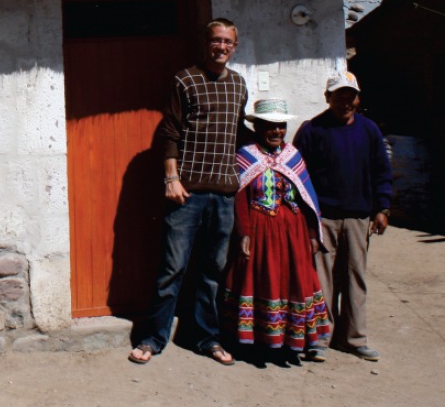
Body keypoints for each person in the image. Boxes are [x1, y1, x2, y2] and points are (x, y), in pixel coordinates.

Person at [129, 19, 248, 366]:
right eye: (215, 40)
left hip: (224, 195)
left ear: (234, 47)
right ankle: (153, 339)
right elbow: (170, 131)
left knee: (212, 274)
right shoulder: (186, 80)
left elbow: (238, 133)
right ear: (205, 43)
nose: (221, 47)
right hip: (187, 194)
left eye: (227, 42)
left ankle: (206, 339)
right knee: (172, 270)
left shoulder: (239, 85)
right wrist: (171, 178)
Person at [293, 71, 392, 361]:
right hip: (323, 217)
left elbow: (381, 172)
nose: (345, 102)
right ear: (328, 98)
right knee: (322, 280)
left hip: (359, 217)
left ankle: (353, 338)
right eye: (339, 96)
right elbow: (298, 174)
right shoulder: (312, 130)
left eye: (350, 97)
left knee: (354, 278)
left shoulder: (369, 130)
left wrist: (382, 208)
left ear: (358, 99)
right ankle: (319, 339)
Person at [221, 98, 329, 362]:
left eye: (280, 126)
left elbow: (306, 198)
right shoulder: (245, 156)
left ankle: (293, 342)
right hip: (261, 230)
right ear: (257, 127)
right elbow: (240, 198)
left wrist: (313, 234)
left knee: (293, 282)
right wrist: (244, 233)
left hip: (293, 232)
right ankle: (259, 342)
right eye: (270, 126)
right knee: (262, 281)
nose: (276, 131)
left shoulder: (292, 155)